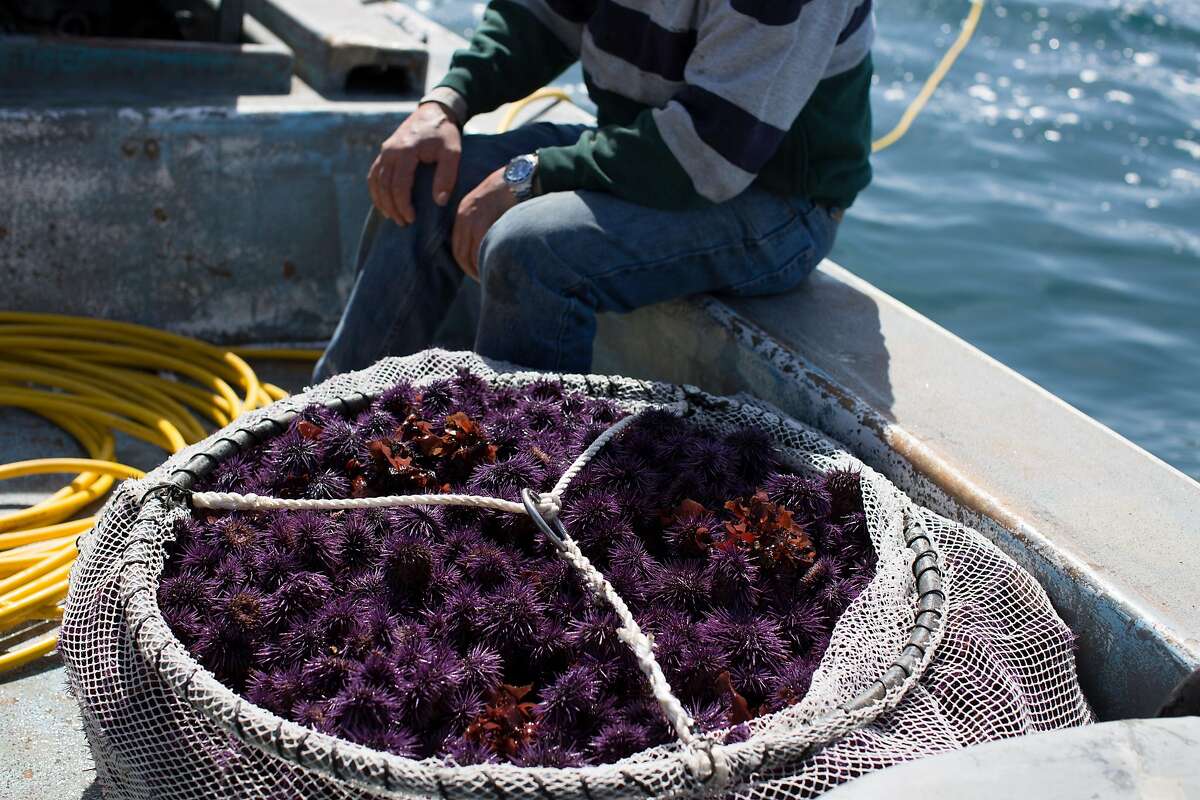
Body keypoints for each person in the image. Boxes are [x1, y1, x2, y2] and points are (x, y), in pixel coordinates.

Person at [315, 0, 874, 381]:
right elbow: (537, 19)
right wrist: (444, 104)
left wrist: (534, 174)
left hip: (774, 200)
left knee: (531, 248)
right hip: (647, 147)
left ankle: (519, 500)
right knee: (427, 177)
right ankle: (327, 435)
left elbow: (710, 154)